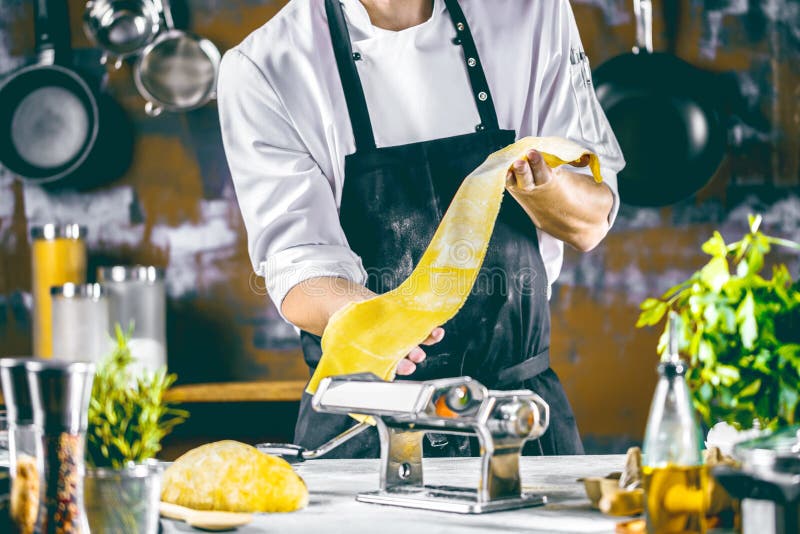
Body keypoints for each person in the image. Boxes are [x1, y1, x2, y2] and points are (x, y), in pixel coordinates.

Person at [218, 0, 625, 457]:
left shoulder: (532, 11)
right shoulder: (267, 65)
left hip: (516, 419)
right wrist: (380, 323)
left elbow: (591, 221)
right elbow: (297, 268)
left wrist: (540, 189)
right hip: (370, 422)